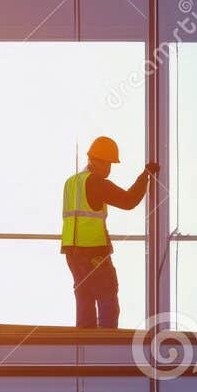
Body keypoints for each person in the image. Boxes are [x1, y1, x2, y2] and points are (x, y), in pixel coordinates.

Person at [61, 136, 157, 329]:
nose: (110, 169)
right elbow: (128, 201)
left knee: (84, 299)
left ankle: (86, 347)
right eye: (109, 164)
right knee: (107, 295)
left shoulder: (71, 182)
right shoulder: (96, 183)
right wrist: (145, 175)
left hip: (72, 254)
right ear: (98, 161)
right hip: (93, 253)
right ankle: (107, 341)